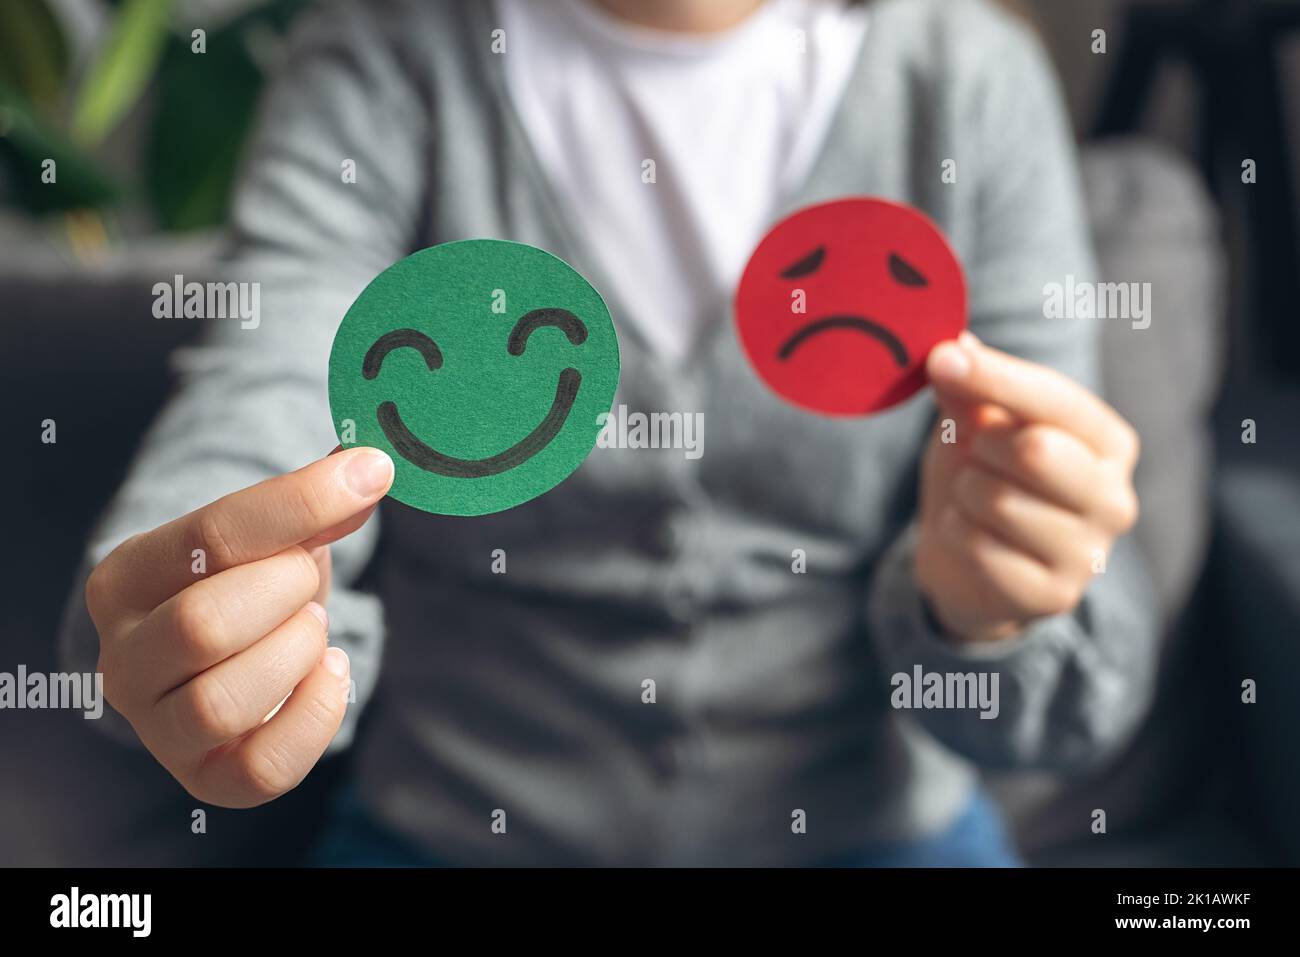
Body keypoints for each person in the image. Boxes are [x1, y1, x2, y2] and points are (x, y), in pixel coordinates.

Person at [61, 0, 1156, 866]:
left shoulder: (967, 78)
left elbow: (1078, 636)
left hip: (874, 833)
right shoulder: (382, 59)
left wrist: (989, 604)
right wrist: (195, 593)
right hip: (448, 833)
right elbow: (262, 393)